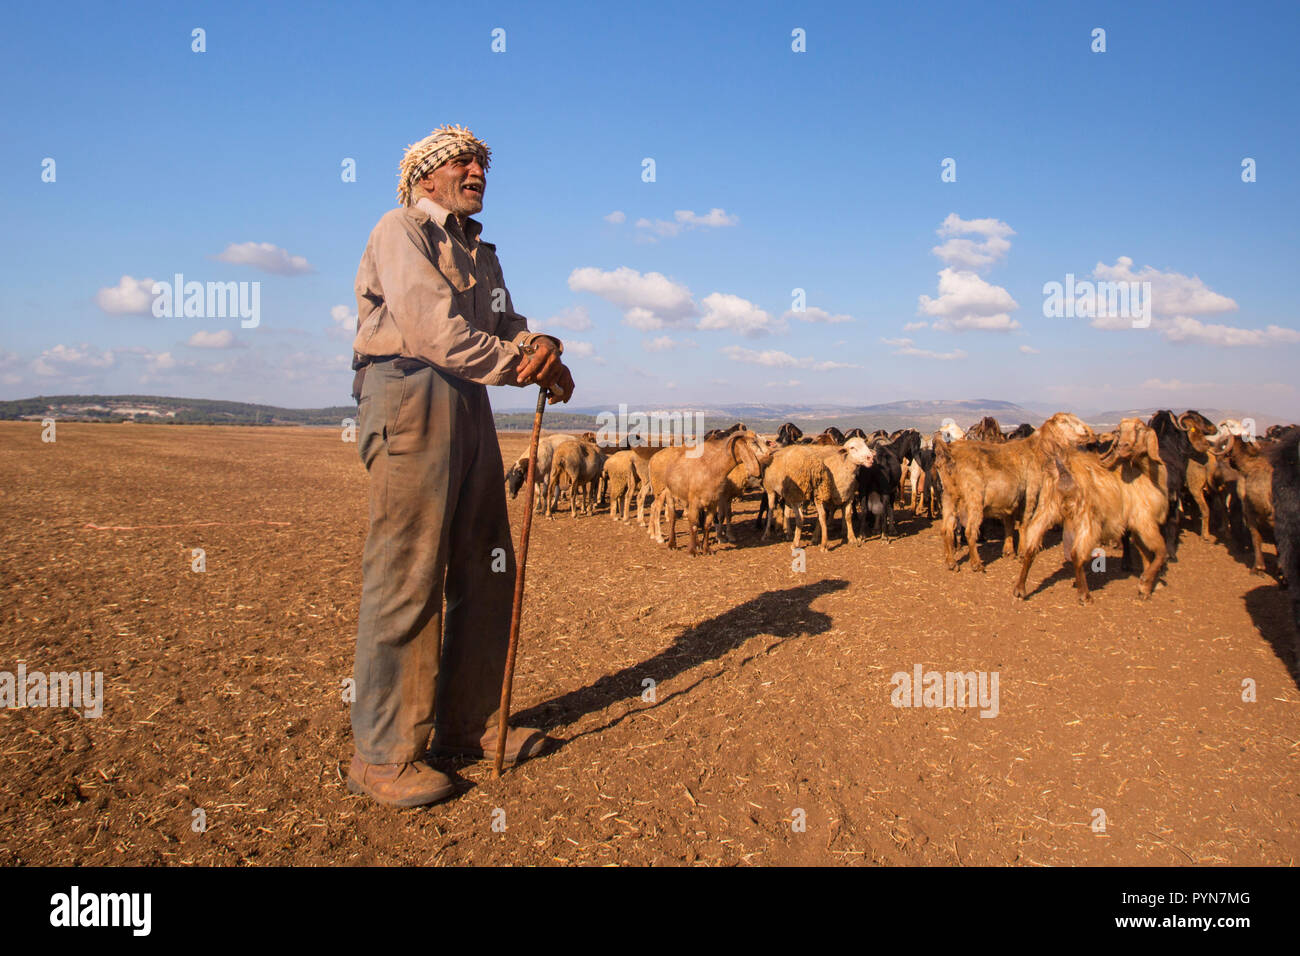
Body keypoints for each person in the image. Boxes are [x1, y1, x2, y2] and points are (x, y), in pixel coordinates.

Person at [347, 125, 575, 808]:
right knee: (408, 573)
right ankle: (383, 755)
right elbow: (430, 329)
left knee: (486, 562)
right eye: (462, 160)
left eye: (483, 162)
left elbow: (505, 324)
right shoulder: (402, 229)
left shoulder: (481, 251)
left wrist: (541, 348)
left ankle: (470, 728)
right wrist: (516, 365)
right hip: (411, 392)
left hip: (470, 398)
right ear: (425, 176)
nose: (478, 169)